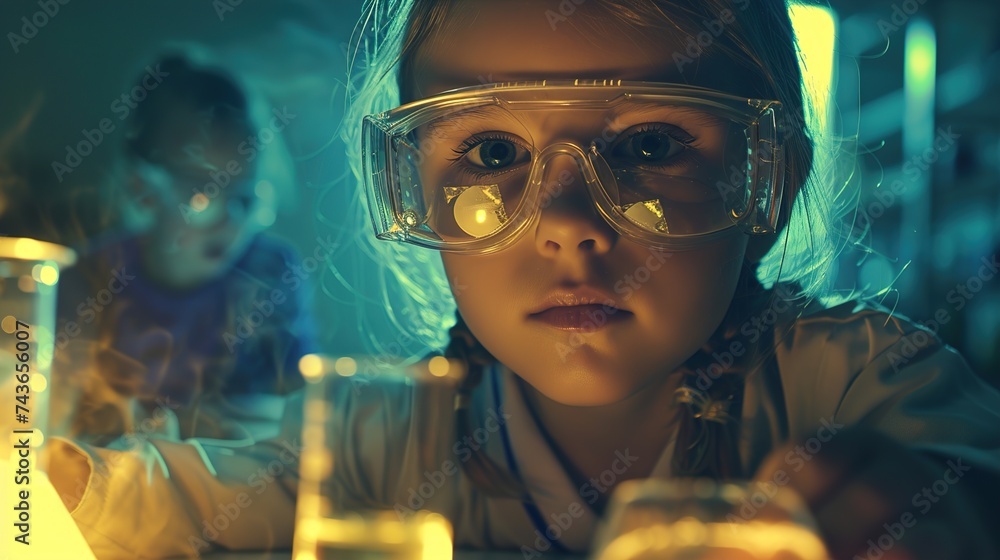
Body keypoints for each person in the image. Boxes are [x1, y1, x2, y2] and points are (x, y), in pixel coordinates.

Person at [50, 1, 1000, 558]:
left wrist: (929, 516)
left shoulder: (862, 384)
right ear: (411, 190)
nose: (570, 227)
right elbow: (197, 498)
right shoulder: (392, 432)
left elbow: (970, 492)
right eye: (495, 149)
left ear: (770, 181)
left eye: (653, 144)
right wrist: (43, 475)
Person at [54, 51, 318, 443]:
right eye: (204, 196)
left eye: (246, 200)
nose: (231, 222)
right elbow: (51, 422)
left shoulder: (270, 274)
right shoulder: (88, 280)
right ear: (142, 189)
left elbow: (304, 417)